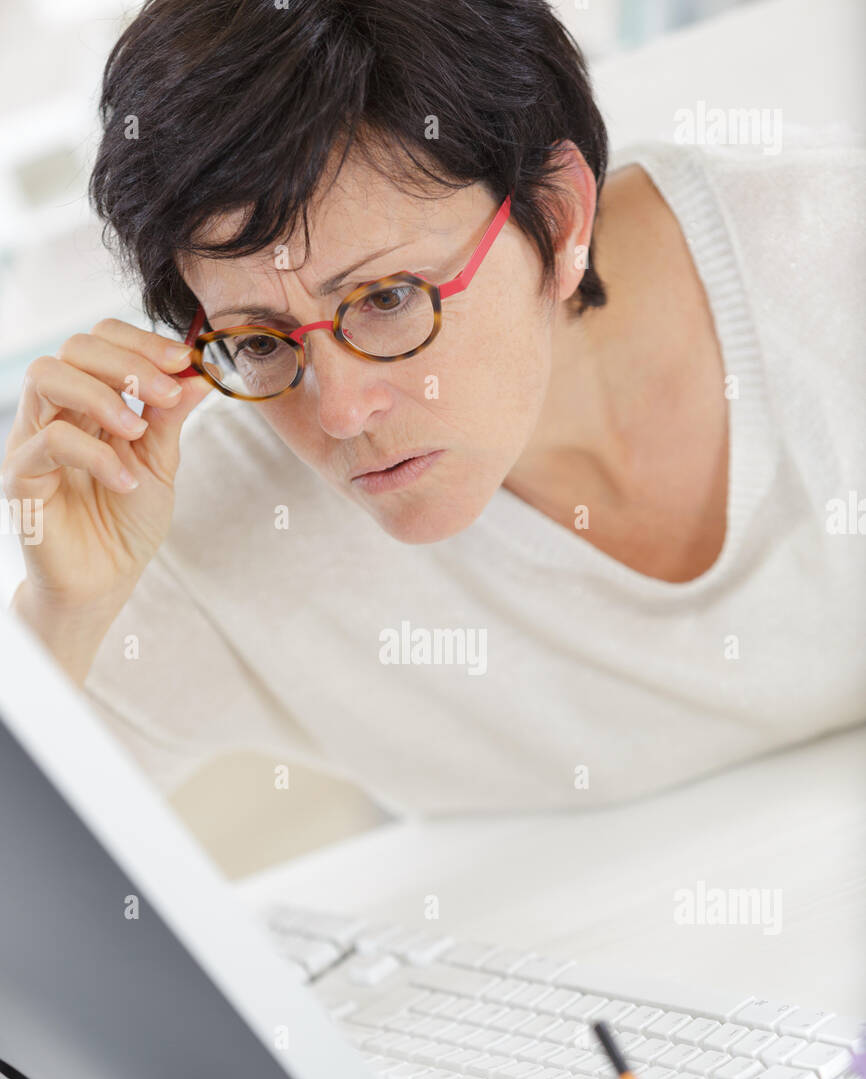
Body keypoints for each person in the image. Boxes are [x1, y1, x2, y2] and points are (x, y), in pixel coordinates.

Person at [3, 0, 864, 814]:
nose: (339, 410)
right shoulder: (216, 515)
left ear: (559, 216)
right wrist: (62, 618)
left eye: (387, 298)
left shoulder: (833, 257)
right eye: (262, 340)